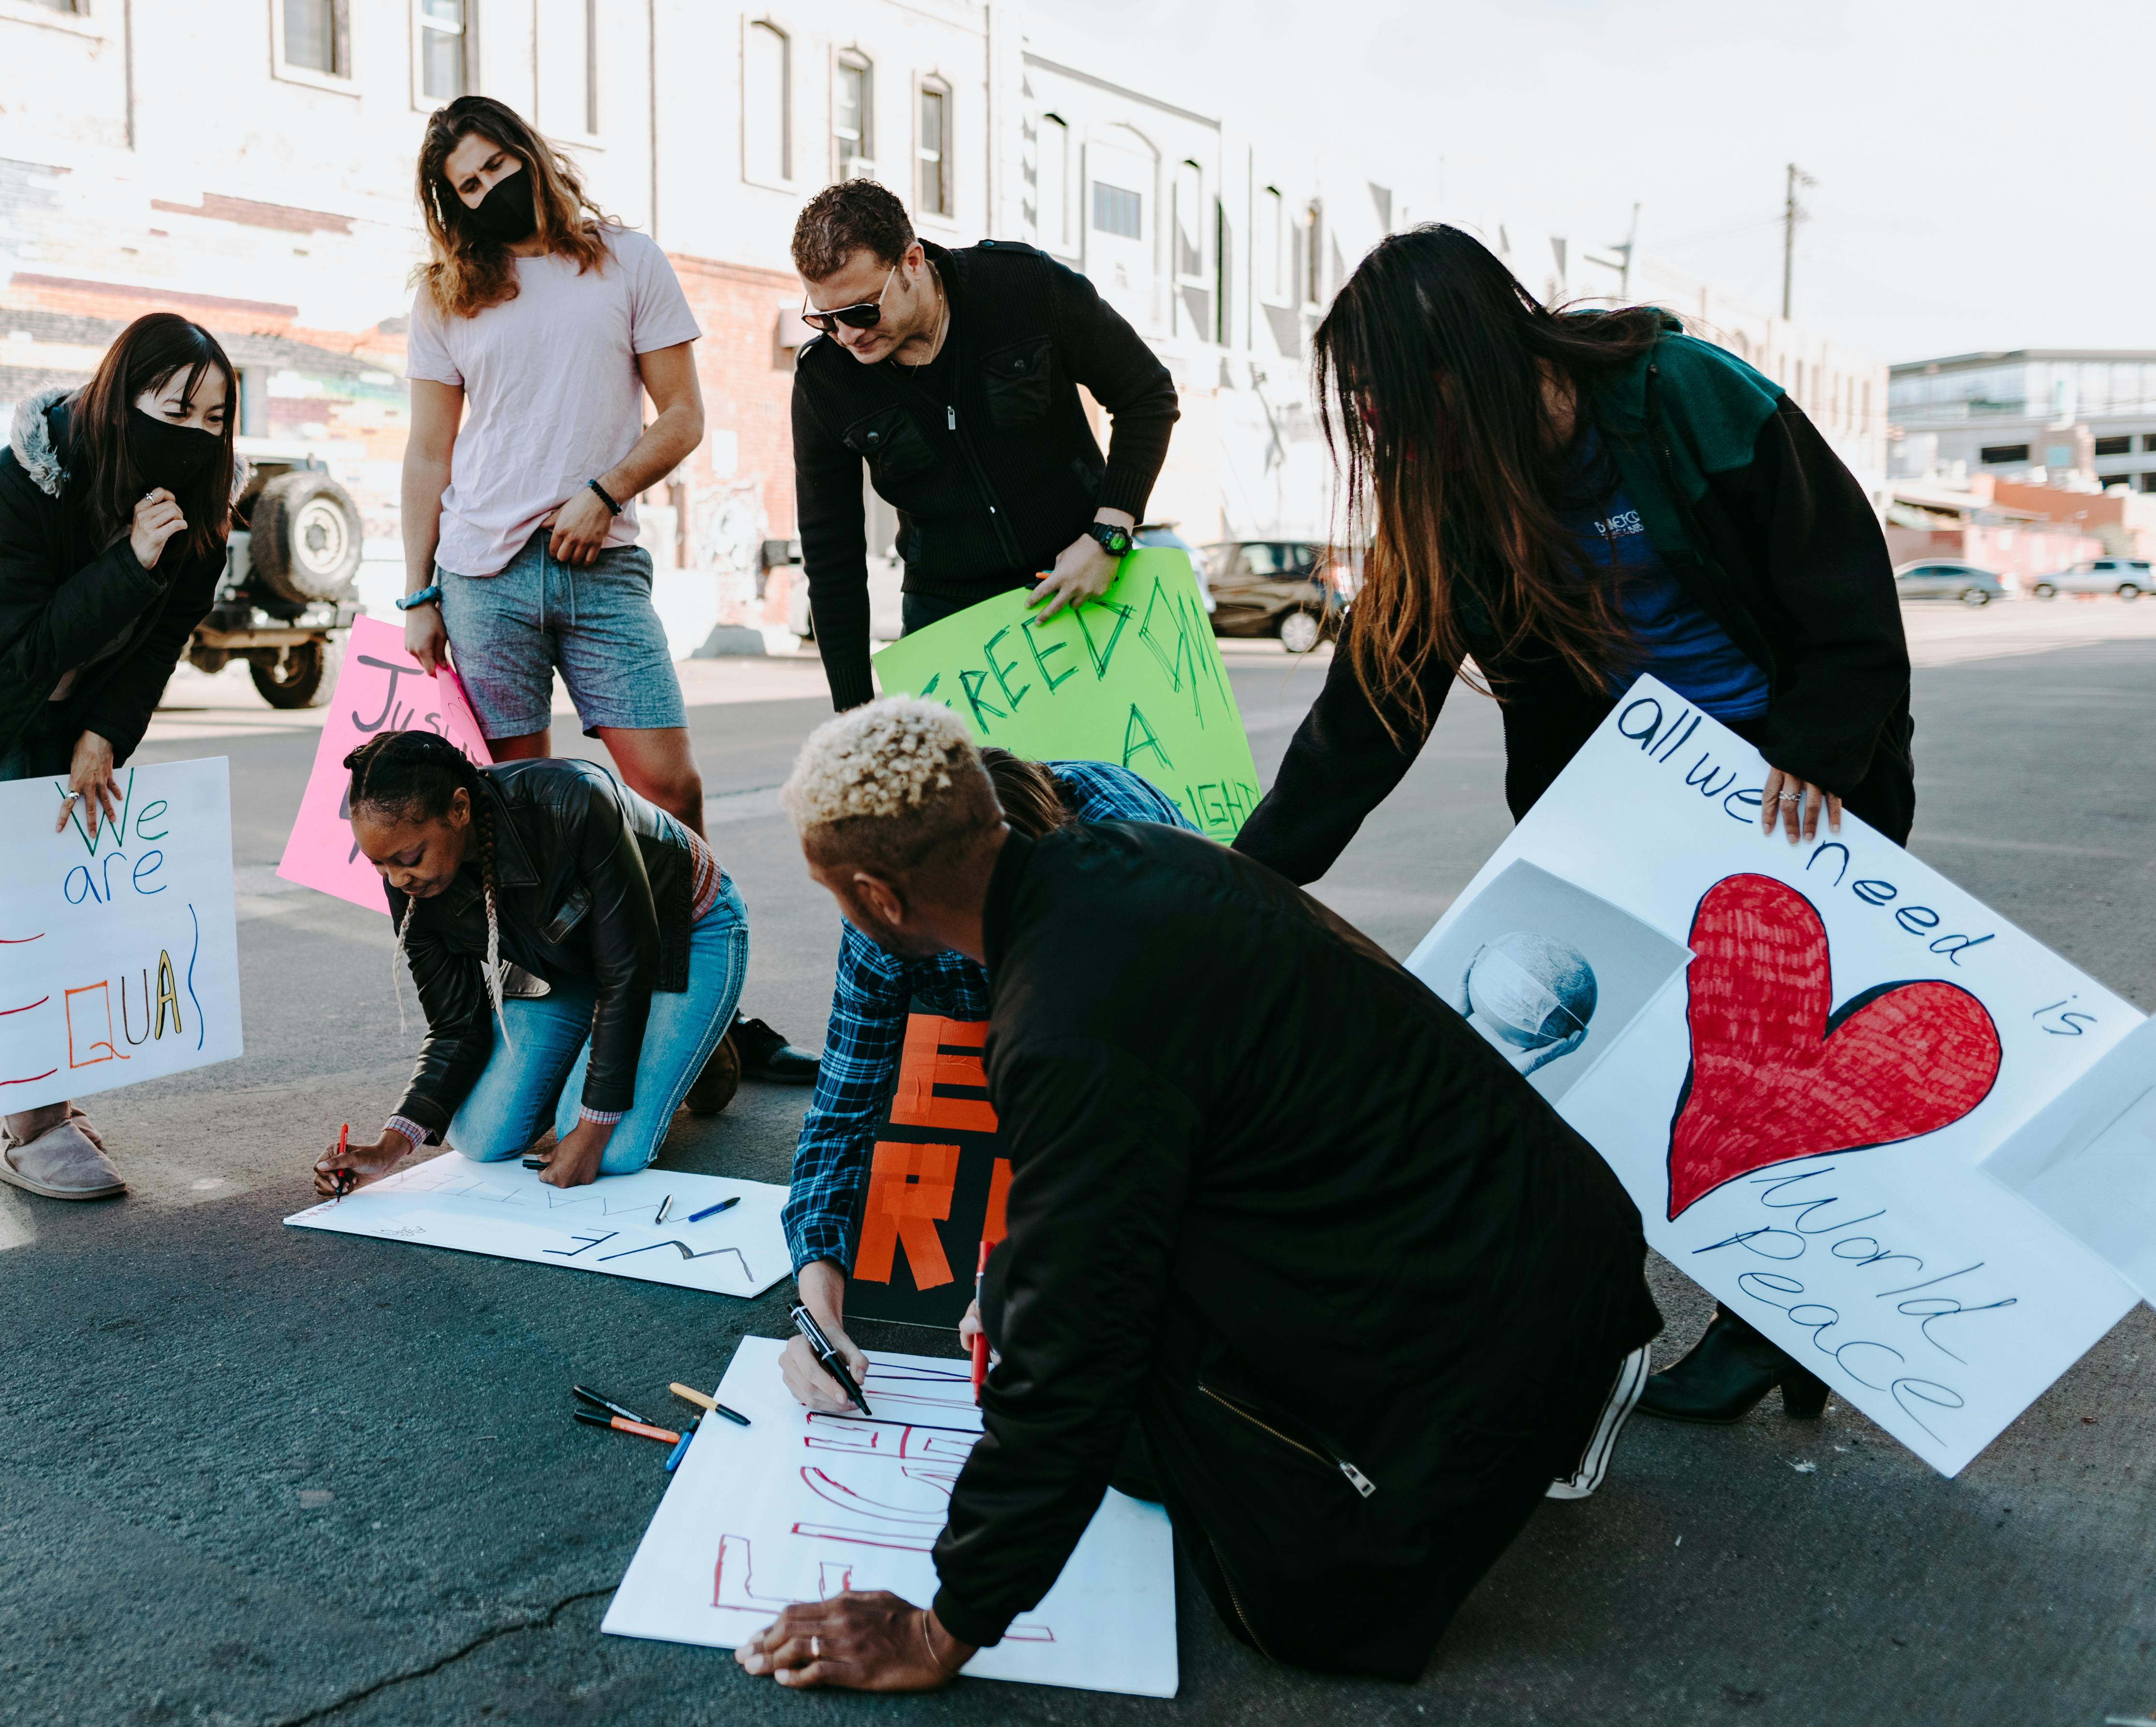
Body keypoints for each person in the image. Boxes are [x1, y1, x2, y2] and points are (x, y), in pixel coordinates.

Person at [734, 699, 1661, 1690]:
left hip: (1497, 1304)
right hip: (1551, 1221)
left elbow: (1072, 1349)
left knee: (1302, 1599)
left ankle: (1538, 1407)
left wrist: (943, 1623)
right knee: (1078, 1348)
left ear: (875, 896)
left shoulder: (1063, 1024)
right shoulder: (1135, 851)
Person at [1233, 223, 1913, 1426]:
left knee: (1770, 1077)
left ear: (1467, 362)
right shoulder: (1449, 493)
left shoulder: (1680, 396)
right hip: (1626, 810)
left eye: (1389, 397)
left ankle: (1774, 1323)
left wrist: (1821, 752)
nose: (1380, 432)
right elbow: (1368, 712)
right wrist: (1241, 881)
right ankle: (1614, 1316)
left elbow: (1841, 569)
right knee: (1606, 1068)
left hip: (1798, 789)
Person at [397, 94, 804, 1092]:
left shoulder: (626, 260)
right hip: (481, 573)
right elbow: (426, 450)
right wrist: (416, 589)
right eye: (468, 185)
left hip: (599, 559)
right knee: (509, 821)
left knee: (667, 787)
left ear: (530, 153)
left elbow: (682, 417)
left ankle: (698, 1005)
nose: (490, 189)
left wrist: (602, 491)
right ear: (451, 204)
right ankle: (554, 1027)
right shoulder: (448, 293)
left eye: (497, 165)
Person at [0, 314, 236, 1200]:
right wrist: (131, 558)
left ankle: (47, 1098)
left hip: (71, 716)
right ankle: (28, 1127)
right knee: (12, 911)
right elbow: (27, 649)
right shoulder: (20, 483)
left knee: (64, 904)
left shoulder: (202, 519)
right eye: (176, 410)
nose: (196, 436)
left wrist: (104, 733)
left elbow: (158, 648)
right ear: (123, 400)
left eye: (215, 418)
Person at [776, 751, 1185, 1410]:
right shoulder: (882, 921)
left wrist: (1038, 1260)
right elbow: (841, 1116)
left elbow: (1150, 1111)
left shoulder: (1134, 878)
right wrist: (818, 1310)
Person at [787, 179, 1182, 712]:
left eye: (861, 312)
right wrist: (855, 712)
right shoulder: (825, 381)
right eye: (825, 319)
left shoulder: (1025, 288)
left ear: (911, 261)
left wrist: (1108, 534)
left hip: (1084, 580)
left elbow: (1146, 394)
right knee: (977, 797)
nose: (848, 336)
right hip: (949, 623)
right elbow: (831, 551)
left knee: (1109, 787)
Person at [307, 729, 749, 1190]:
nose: (398, 879)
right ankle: (631, 1051)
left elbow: (627, 969)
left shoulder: (574, 800)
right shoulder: (412, 882)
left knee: (615, 1152)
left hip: (681, 936)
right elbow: (455, 1024)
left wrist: (591, 1132)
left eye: (408, 858)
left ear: (459, 809)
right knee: (479, 1136)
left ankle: (697, 1037)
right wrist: (387, 1149)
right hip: (565, 960)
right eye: (381, 865)